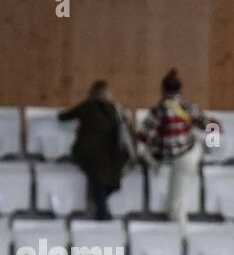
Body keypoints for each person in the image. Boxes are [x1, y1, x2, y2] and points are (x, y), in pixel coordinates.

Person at [137, 69, 217, 225]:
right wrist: (212, 147)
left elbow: (143, 136)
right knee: (178, 198)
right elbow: (212, 125)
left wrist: (151, 153)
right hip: (192, 152)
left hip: (179, 159)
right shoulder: (186, 107)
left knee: (175, 206)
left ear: (162, 90)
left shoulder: (159, 110)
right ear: (179, 90)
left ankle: (181, 238)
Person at [58, 80, 136, 221]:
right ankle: (102, 209)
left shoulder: (86, 106)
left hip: (87, 152)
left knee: (96, 176)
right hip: (111, 154)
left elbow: (63, 116)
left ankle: (101, 210)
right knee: (102, 176)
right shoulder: (116, 109)